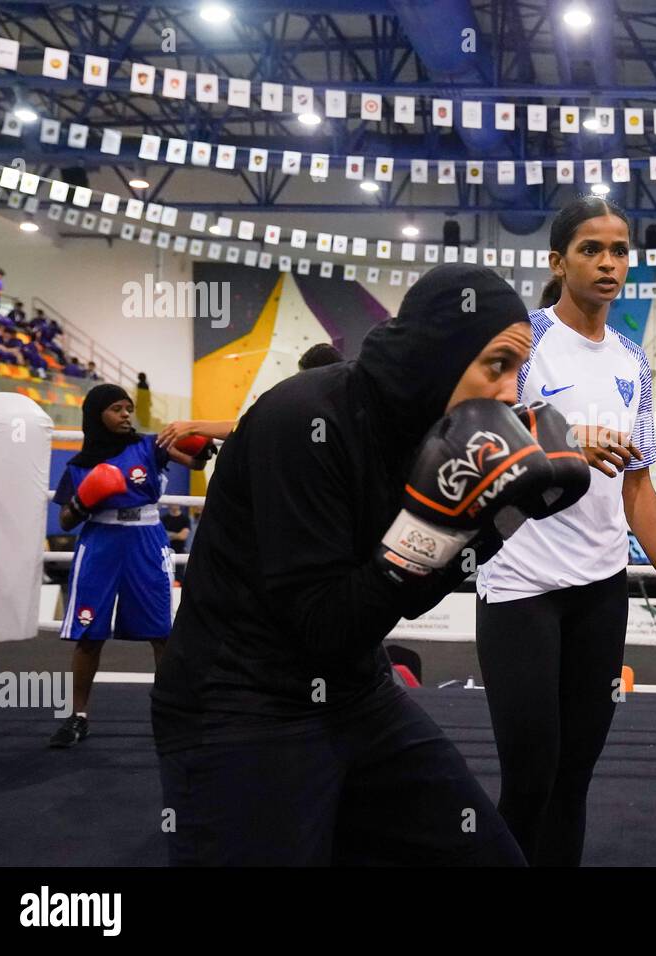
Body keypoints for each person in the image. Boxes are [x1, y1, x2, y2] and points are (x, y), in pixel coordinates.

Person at [151, 264, 578, 866]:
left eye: (518, 371)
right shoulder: (301, 420)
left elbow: (412, 597)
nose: (510, 393)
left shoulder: (431, 435)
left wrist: (502, 517)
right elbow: (323, 624)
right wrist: (437, 525)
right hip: (241, 707)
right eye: (497, 365)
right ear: (440, 355)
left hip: (356, 695)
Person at [475, 195, 656, 866]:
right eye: (591, 250)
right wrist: (565, 435)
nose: (609, 263)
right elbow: (477, 426)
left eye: (619, 251)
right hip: (521, 583)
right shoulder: (522, 340)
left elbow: (637, 484)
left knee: (575, 774)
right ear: (558, 260)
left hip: (601, 589)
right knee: (530, 773)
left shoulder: (633, 362)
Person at [47, 385, 208, 747]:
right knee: (89, 633)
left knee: (161, 631)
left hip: (145, 539)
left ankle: (173, 714)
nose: (124, 415)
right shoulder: (79, 465)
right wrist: (85, 499)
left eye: (128, 408)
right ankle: (78, 717)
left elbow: (194, 461)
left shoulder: (150, 445)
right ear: (96, 415)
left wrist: (203, 451)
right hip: (100, 541)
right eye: (116, 409)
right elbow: (67, 520)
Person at [161, 503, 191, 582]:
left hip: (180, 550)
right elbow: (162, 536)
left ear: (179, 505)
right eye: (173, 504)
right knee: (166, 577)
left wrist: (169, 534)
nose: (174, 506)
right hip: (167, 551)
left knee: (179, 578)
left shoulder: (185, 519)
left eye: (176, 504)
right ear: (169, 505)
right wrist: (177, 534)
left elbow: (183, 536)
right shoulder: (164, 519)